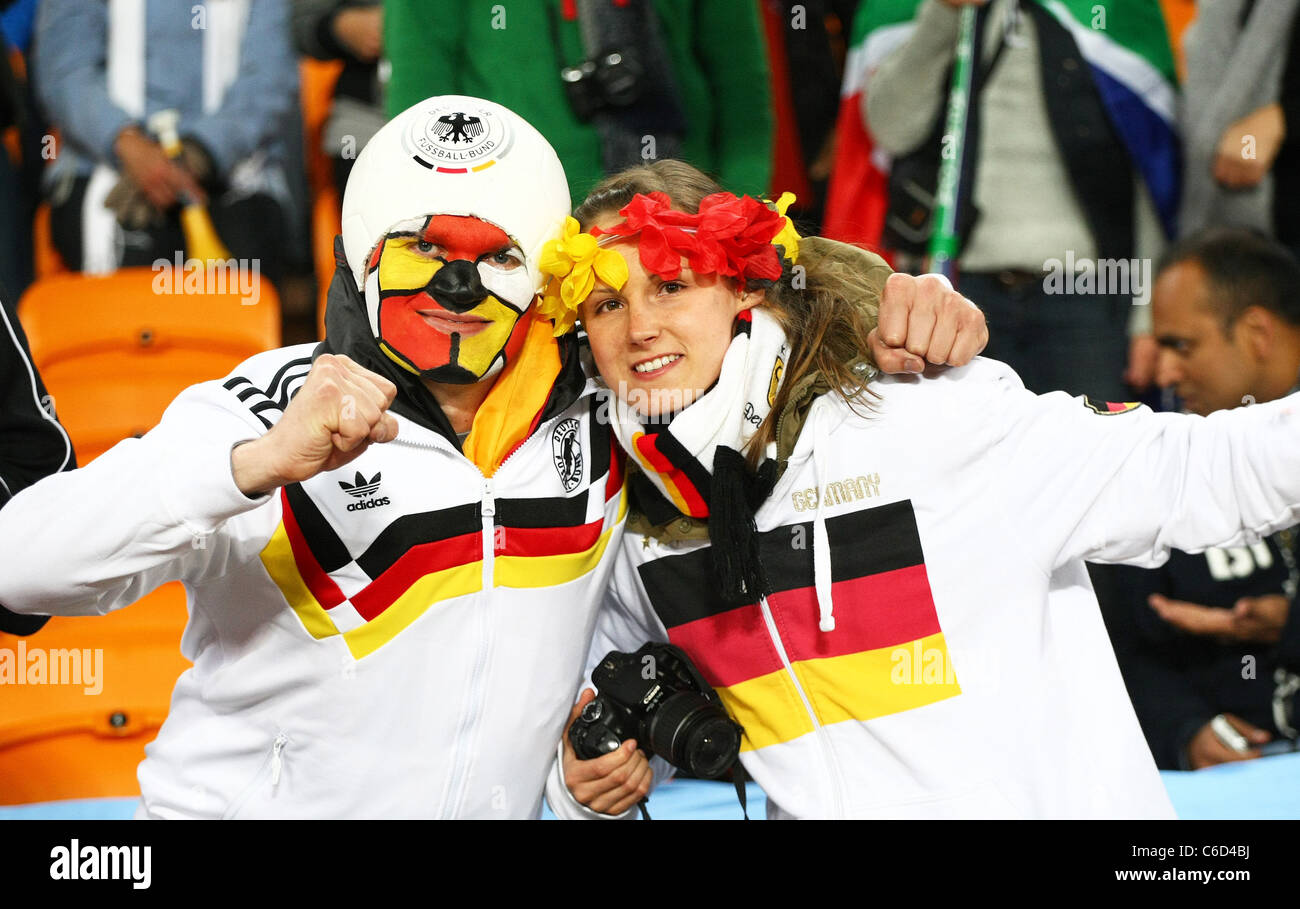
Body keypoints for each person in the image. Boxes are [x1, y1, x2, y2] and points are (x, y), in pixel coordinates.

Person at [0, 97, 982, 817]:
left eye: (495, 255)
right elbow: (19, 563)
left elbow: (748, 326)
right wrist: (253, 463)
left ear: (543, 268)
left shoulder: (613, 430)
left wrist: (886, 309)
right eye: (422, 249)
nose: (458, 285)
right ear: (361, 255)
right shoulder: (261, 404)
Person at [542, 159, 1300, 820]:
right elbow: (614, 731)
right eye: (607, 303)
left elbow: (1211, 468)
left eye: (670, 285)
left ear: (744, 287)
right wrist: (583, 787)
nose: (639, 326)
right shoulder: (632, 525)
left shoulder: (929, 416)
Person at [1102, 228, 1300, 770]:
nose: (1163, 373)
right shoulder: (1164, 464)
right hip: (1221, 791)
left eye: (1181, 346)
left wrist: (1289, 624)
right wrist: (1184, 733)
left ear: (1257, 332)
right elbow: (1126, 650)